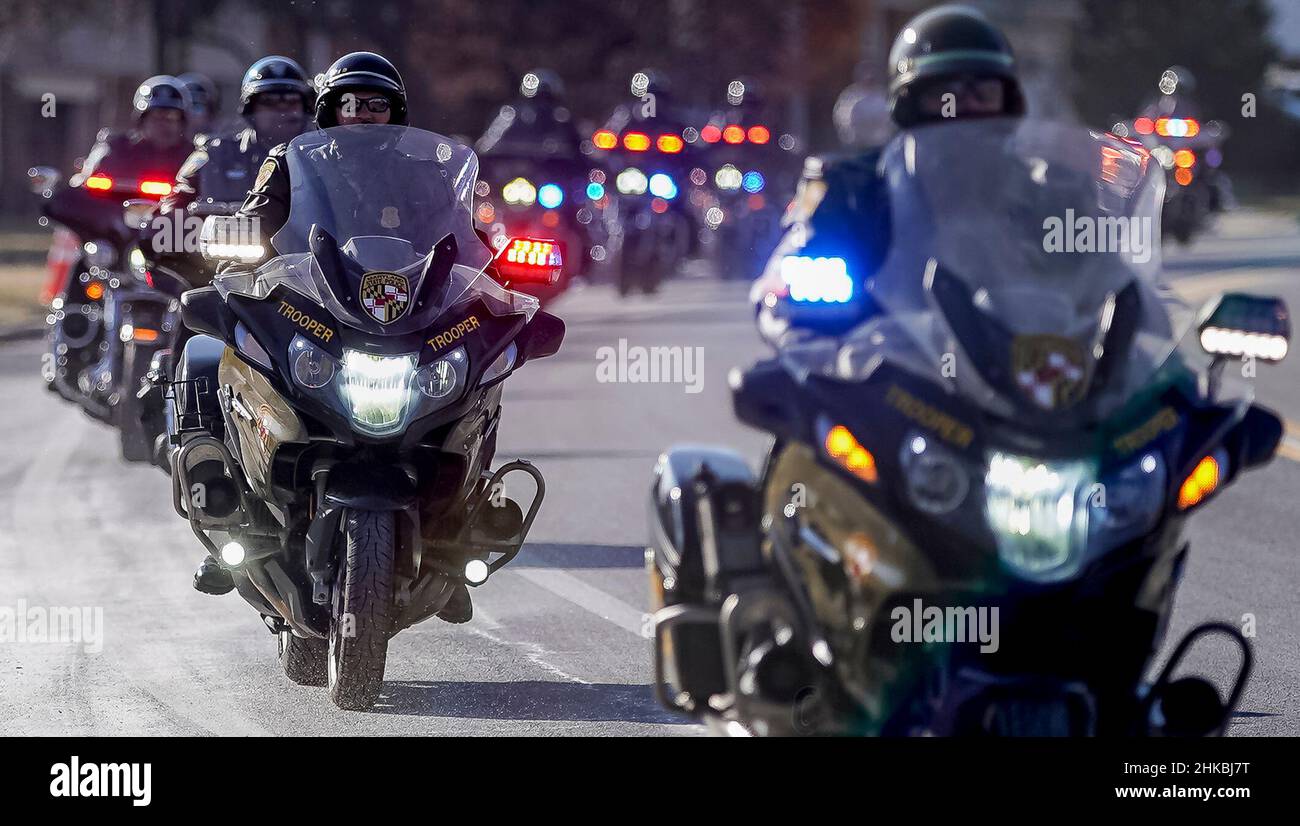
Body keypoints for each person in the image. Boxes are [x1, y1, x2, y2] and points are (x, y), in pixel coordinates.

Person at [189, 52, 475, 626]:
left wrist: (491, 267)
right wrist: (237, 243)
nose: (364, 115)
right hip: (314, 304)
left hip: (400, 310)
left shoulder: (428, 173)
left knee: (475, 379)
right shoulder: (293, 164)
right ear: (330, 111)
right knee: (212, 355)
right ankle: (228, 527)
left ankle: (452, 538)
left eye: (377, 105)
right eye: (352, 104)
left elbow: (464, 233)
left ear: (395, 112)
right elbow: (259, 216)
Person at [752, 4, 1026, 342]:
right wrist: (802, 325)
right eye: (946, 95)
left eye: (983, 94)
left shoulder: (1043, 189)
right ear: (908, 102)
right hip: (885, 371)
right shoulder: (850, 186)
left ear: (1008, 103)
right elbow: (784, 275)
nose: (964, 109)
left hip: (1027, 373)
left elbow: (1093, 280)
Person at [78, 75, 194, 183]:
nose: (163, 124)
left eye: (171, 117)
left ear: (182, 123)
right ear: (141, 120)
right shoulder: (117, 150)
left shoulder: (192, 158)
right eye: (156, 116)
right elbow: (87, 186)